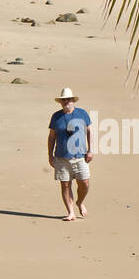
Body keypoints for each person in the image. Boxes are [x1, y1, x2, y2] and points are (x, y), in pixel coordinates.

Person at [47, 87, 94, 221]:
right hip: (62, 157)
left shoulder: (82, 113)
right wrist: (50, 155)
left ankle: (80, 202)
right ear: (60, 102)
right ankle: (71, 212)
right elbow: (51, 137)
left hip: (80, 157)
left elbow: (90, 131)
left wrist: (90, 150)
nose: (66, 101)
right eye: (64, 100)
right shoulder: (56, 116)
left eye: (68, 99)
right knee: (65, 185)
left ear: (73, 101)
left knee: (84, 183)